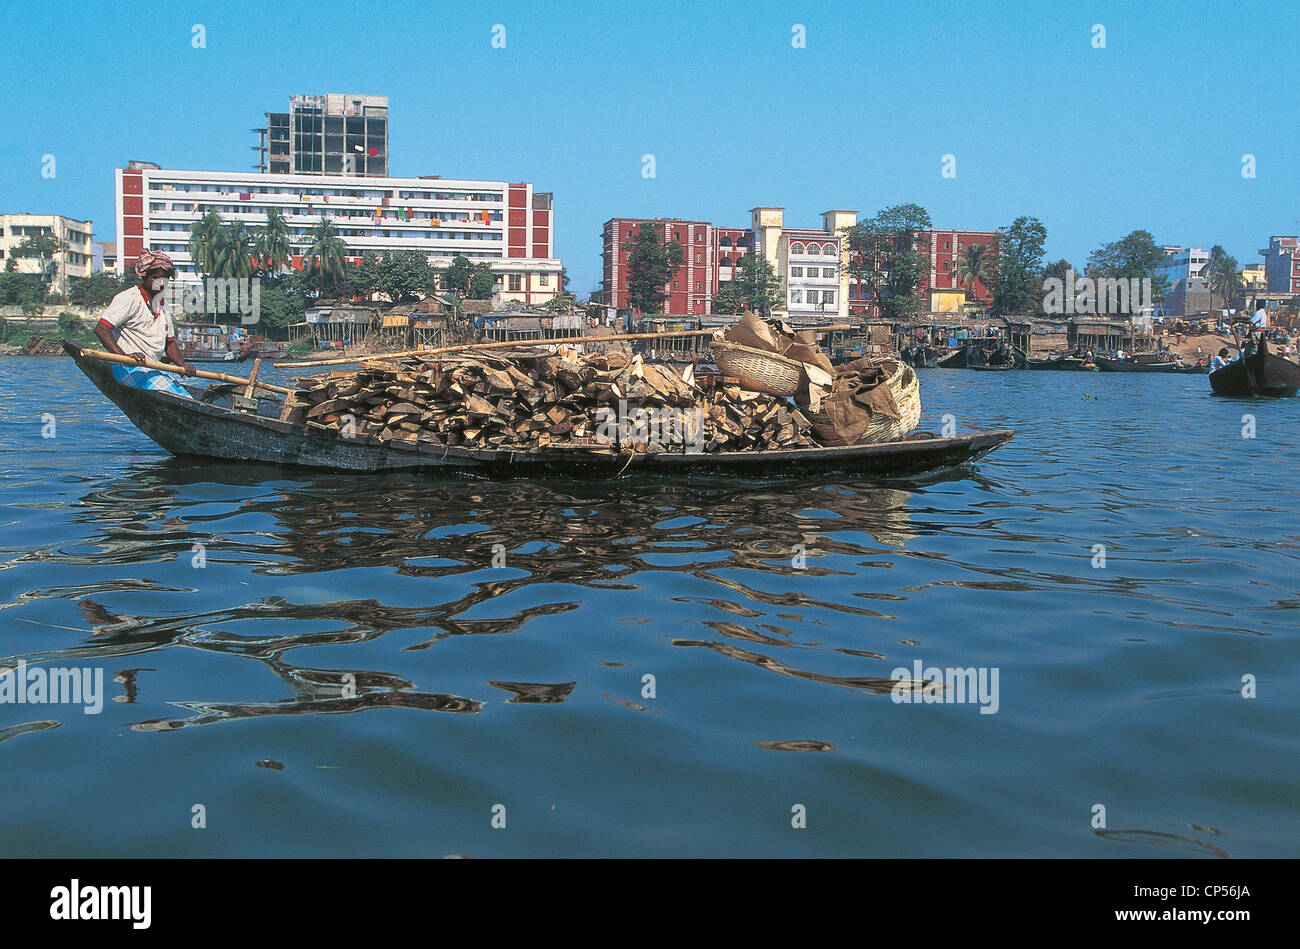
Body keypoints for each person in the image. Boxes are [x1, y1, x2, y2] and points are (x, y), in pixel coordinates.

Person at [95, 250, 195, 396]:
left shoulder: (163, 305)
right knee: (180, 396)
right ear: (145, 277)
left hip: (153, 368)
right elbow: (102, 329)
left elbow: (170, 343)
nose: (161, 283)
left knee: (185, 395)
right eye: (156, 278)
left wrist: (183, 365)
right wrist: (124, 358)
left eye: (165, 279)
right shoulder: (129, 298)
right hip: (129, 368)